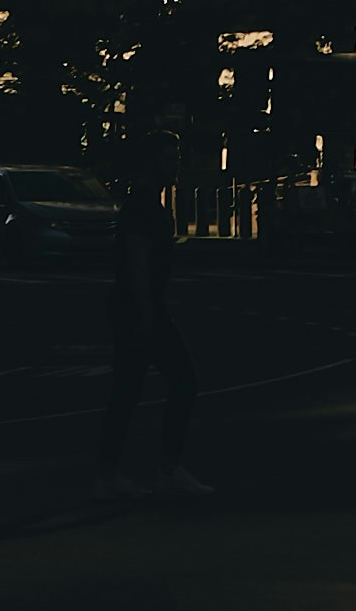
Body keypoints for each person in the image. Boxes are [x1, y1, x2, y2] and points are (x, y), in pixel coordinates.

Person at [96, 175, 204, 493]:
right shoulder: (145, 209)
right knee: (183, 382)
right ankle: (166, 469)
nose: (173, 168)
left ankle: (109, 473)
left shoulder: (144, 206)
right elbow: (137, 259)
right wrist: (146, 309)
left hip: (136, 307)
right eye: (167, 161)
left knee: (127, 392)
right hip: (141, 309)